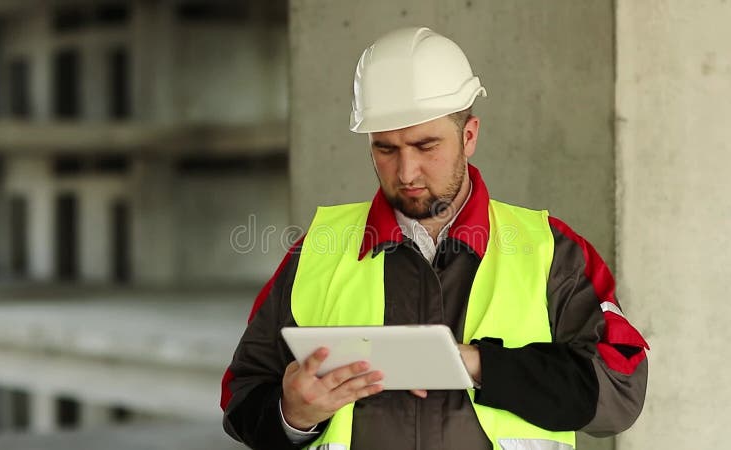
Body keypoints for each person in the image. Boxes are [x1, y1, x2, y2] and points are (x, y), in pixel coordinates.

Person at [221, 27, 648, 450]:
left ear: (469, 136)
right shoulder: (317, 250)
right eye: (386, 149)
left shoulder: (550, 251)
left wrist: (478, 365)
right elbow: (240, 396)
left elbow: (621, 389)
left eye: (426, 146)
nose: (406, 172)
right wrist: (292, 415)